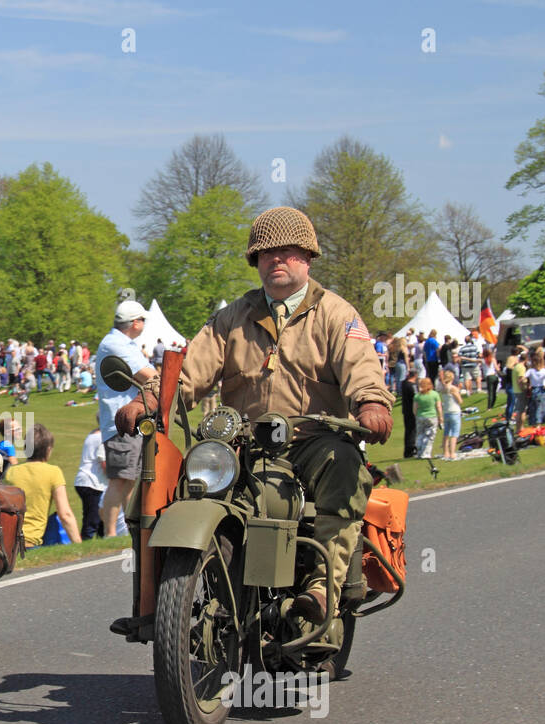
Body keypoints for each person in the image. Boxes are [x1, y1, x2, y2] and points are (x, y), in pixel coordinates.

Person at [116, 206, 393, 626]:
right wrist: (150, 401)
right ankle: (155, 605)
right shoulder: (232, 317)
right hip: (241, 448)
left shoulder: (337, 314)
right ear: (255, 262)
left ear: (308, 257)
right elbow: (189, 374)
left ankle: (323, 589)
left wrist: (371, 404)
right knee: (161, 487)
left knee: (345, 465)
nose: (276, 259)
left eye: (287, 251)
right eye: (266, 254)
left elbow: (362, 368)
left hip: (312, 444)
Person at [96, 299, 158, 539]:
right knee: (120, 479)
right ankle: (110, 533)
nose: (143, 323)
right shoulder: (115, 344)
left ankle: (129, 530)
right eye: (142, 319)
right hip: (121, 421)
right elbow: (149, 376)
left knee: (130, 478)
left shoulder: (123, 343)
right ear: (134, 322)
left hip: (131, 418)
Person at [5, 424, 82, 548]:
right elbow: (65, 514)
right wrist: (78, 545)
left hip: (7, 542)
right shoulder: (53, 472)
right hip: (31, 542)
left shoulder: (11, 472)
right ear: (48, 449)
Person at [74, 426, 107, 539]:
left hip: (84, 480)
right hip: (93, 482)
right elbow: (104, 463)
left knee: (97, 519)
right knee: (93, 521)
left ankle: (100, 543)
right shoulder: (103, 436)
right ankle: (85, 545)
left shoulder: (92, 434)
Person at [437, 369, 463, 460]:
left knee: (446, 433)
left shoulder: (442, 389)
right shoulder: (453, 388)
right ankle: (452, 453)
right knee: (454, 434)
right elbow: (459, 401)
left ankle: (445, 452)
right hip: (454, 412)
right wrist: (458, 391)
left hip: (446, 412)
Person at [414, 377, 441, 459]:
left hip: (420, 416)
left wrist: (416, 415)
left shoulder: (417, 396)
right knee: (430, 436)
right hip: (432, 416)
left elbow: (415, 408)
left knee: (420, 434)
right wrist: (441, 417)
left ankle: (419, 451)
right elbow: (438, 406)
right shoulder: (435, 394)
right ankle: (426, 453)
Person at [524, 353, 545, 426]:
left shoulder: (530, 370)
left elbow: (523, 378)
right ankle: (538, 423)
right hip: (542, 389)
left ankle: (533, 423)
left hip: (534, 389)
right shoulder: (544, 370)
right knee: (541, 407)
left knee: (533, 407)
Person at [399, 367, 418, 458]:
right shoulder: (411, 386)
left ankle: (408, 450)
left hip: (406, 410)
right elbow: (416, 397)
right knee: (412, 430)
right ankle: (411, 449)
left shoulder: (404, 384)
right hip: (412, 411)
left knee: (409, 430)